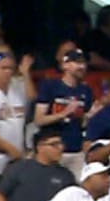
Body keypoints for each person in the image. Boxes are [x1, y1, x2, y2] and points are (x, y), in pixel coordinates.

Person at [33, 48, 92, 178]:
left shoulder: (86, 91)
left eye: (83, 63)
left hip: (76, 151)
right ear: (65, 65)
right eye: (77, 63)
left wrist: (89, 117)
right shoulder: (50, 86)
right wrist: (63, 113)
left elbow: (82, 124)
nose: (82, 67)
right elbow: (38, 120)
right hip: (53, 150)